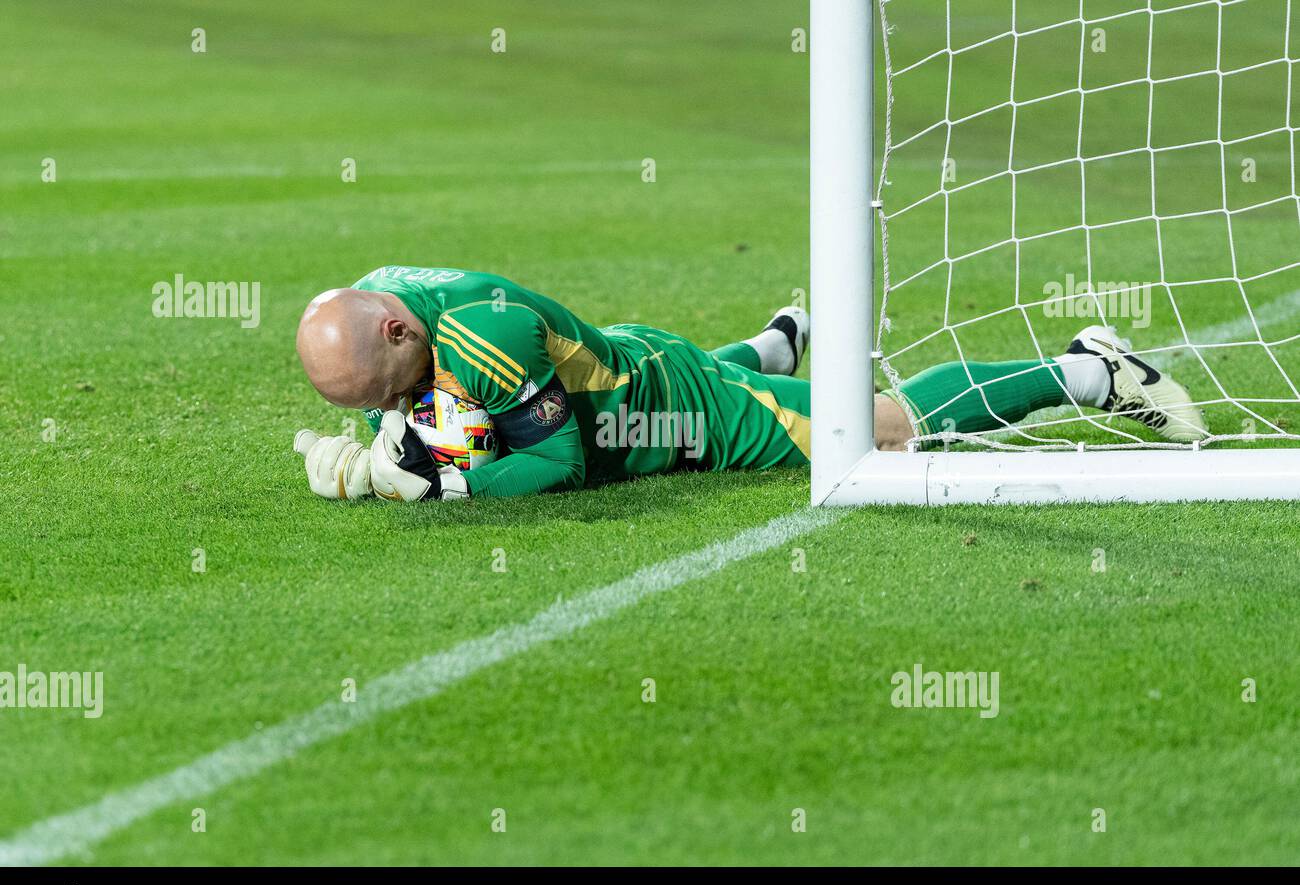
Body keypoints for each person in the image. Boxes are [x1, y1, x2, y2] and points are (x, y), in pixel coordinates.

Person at [294, 266, 1205, 501]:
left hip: (674, 412)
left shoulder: (482, 336)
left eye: (381, 390)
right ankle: (778, 343)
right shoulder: (390, 306)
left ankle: (1090, 368)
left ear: (397, 328)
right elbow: (436, 402)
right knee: (671, 377)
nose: (384, 406)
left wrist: (431, 478)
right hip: (627, 374)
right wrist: (394, 439)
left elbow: (557, 462)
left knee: (881, 431)